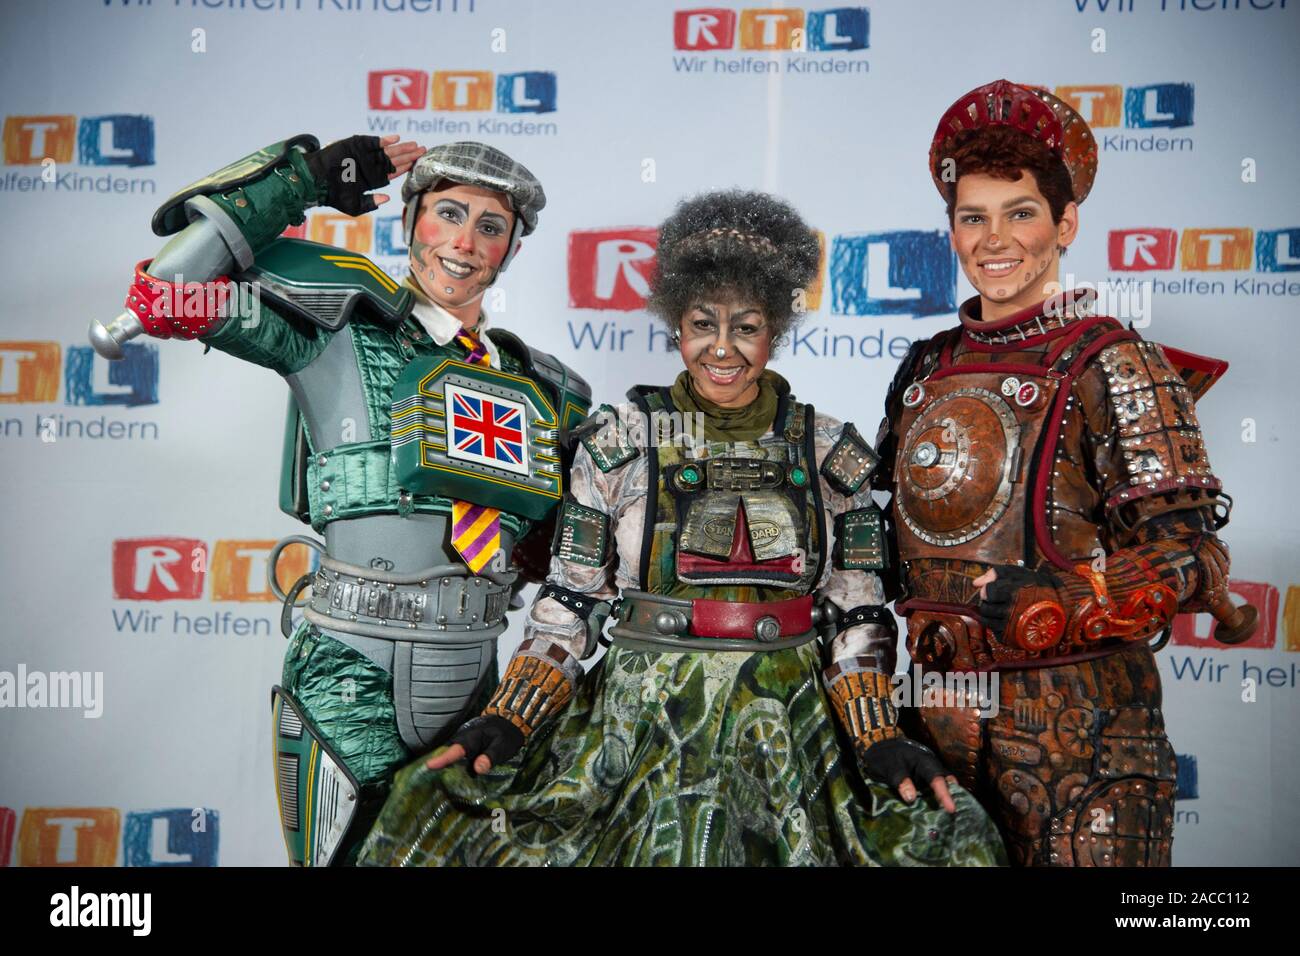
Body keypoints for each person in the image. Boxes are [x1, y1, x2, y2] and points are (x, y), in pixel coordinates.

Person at [359, 190, 1007, 866]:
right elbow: (571, 605)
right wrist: (513, 714)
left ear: (775, 331)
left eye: (746, 327)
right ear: (676, 326)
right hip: (641, 724)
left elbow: (858, 613)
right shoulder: (620, 441)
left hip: (786, 727)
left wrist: (875, 734)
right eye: (703, 324)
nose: (721, 349)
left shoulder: (827, 451)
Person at [88, 135, 591, 865]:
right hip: (349, 664)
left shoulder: (545, 389)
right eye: (447, 213)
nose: (464, 241)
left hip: (477, 675)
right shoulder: (339, 321)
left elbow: (582, 560)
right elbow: (165, 292)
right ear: (411, 218)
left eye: (490, 226)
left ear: (510, 250)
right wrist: (301, 180)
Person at [873, 79, 1255, 867]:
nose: (994, 239)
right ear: (951, 227)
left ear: (1065, 221)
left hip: (1080, 737)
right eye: (972, 217)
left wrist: (1068, 598)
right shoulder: (927, 366)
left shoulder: (1117, 360)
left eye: (1020, 213)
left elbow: (1193, 557)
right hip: (935, 721)